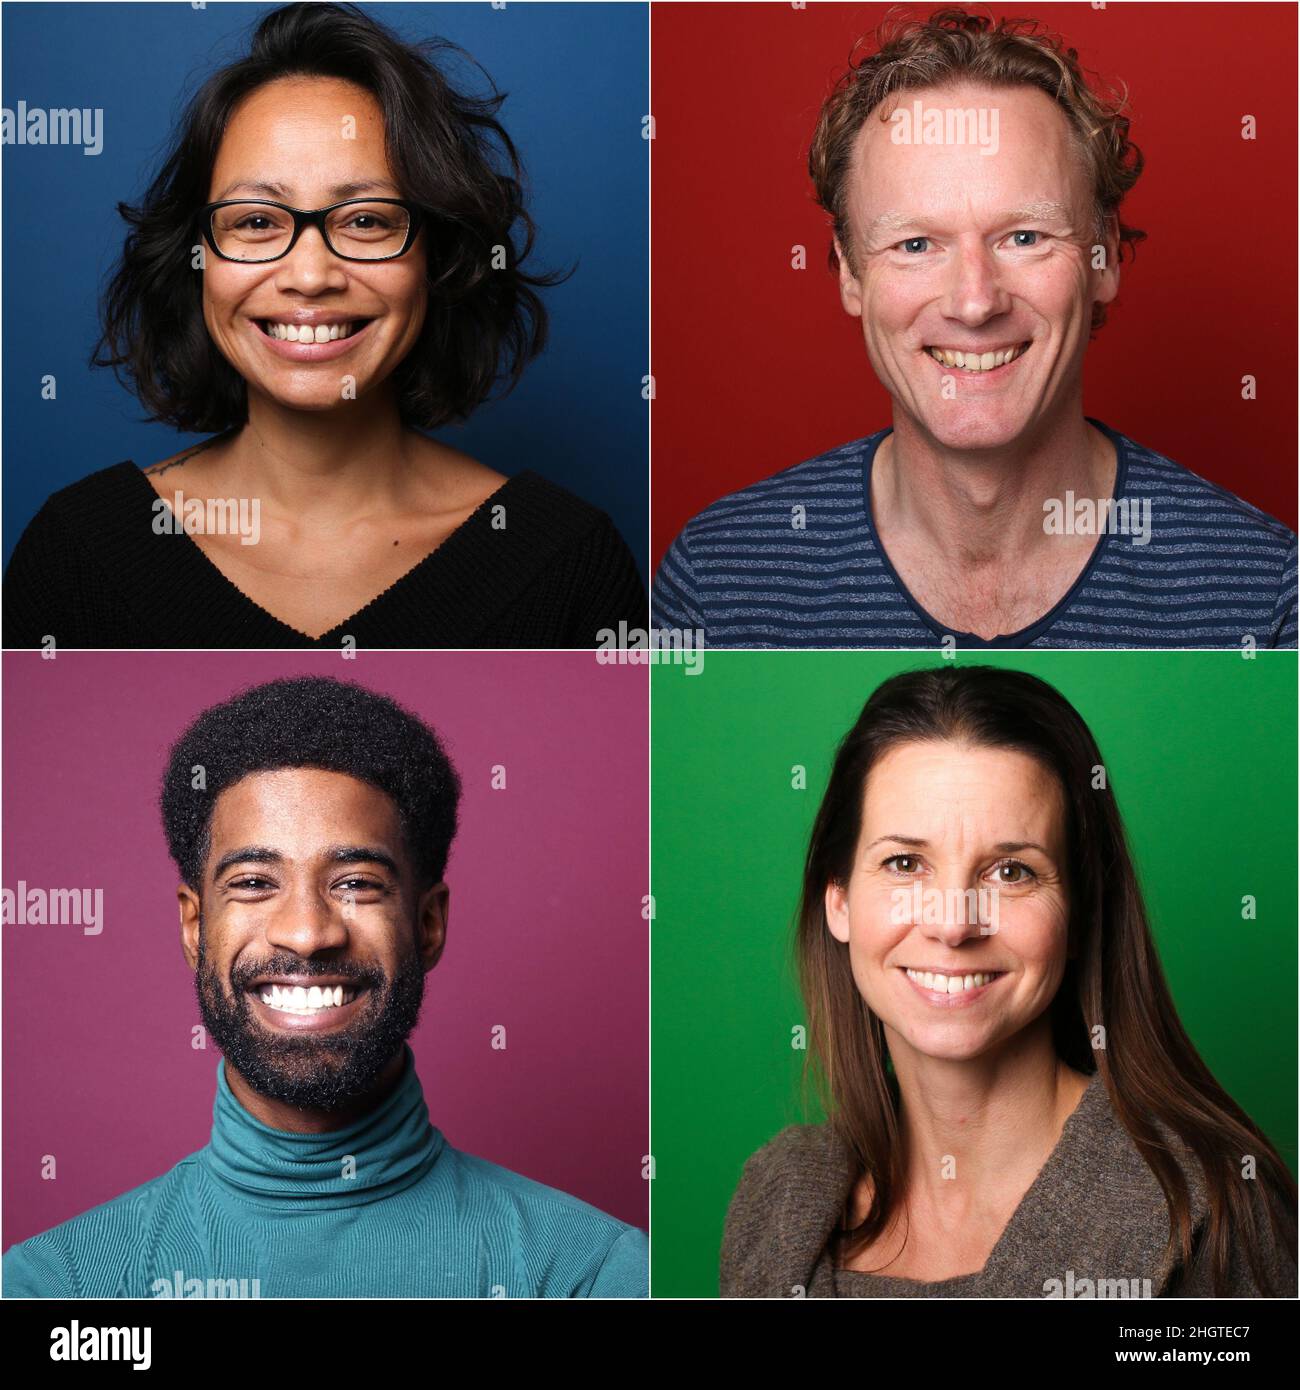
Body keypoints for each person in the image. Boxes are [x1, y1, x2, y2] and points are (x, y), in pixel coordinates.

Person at [3, 3, 646, 649]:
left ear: (439, 259)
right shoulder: (76, 553)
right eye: (256, 222)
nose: (310, 275)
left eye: (366, 220)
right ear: (196, 261)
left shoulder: (568, 563)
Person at [653, 8, 1296, 649]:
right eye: (914, 244)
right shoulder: (721, 585)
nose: (974, 302)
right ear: (849, 272)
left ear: (1103, 258)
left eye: (1024, 237)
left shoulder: (1267, 598)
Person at [3, 676, 647, 1297]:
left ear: (428, 925)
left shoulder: (593, 1276)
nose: (308, 934)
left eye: (356, 883)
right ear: (195, 926)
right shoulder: (56, 1285)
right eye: (254, 882)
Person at [720, 665, 1296, 1297]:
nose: (954, 924)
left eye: (1012, 872)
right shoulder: (771, 1198)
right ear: (838, 900)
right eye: (905, 863)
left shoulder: (1212, 1211)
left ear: (1079, 914)